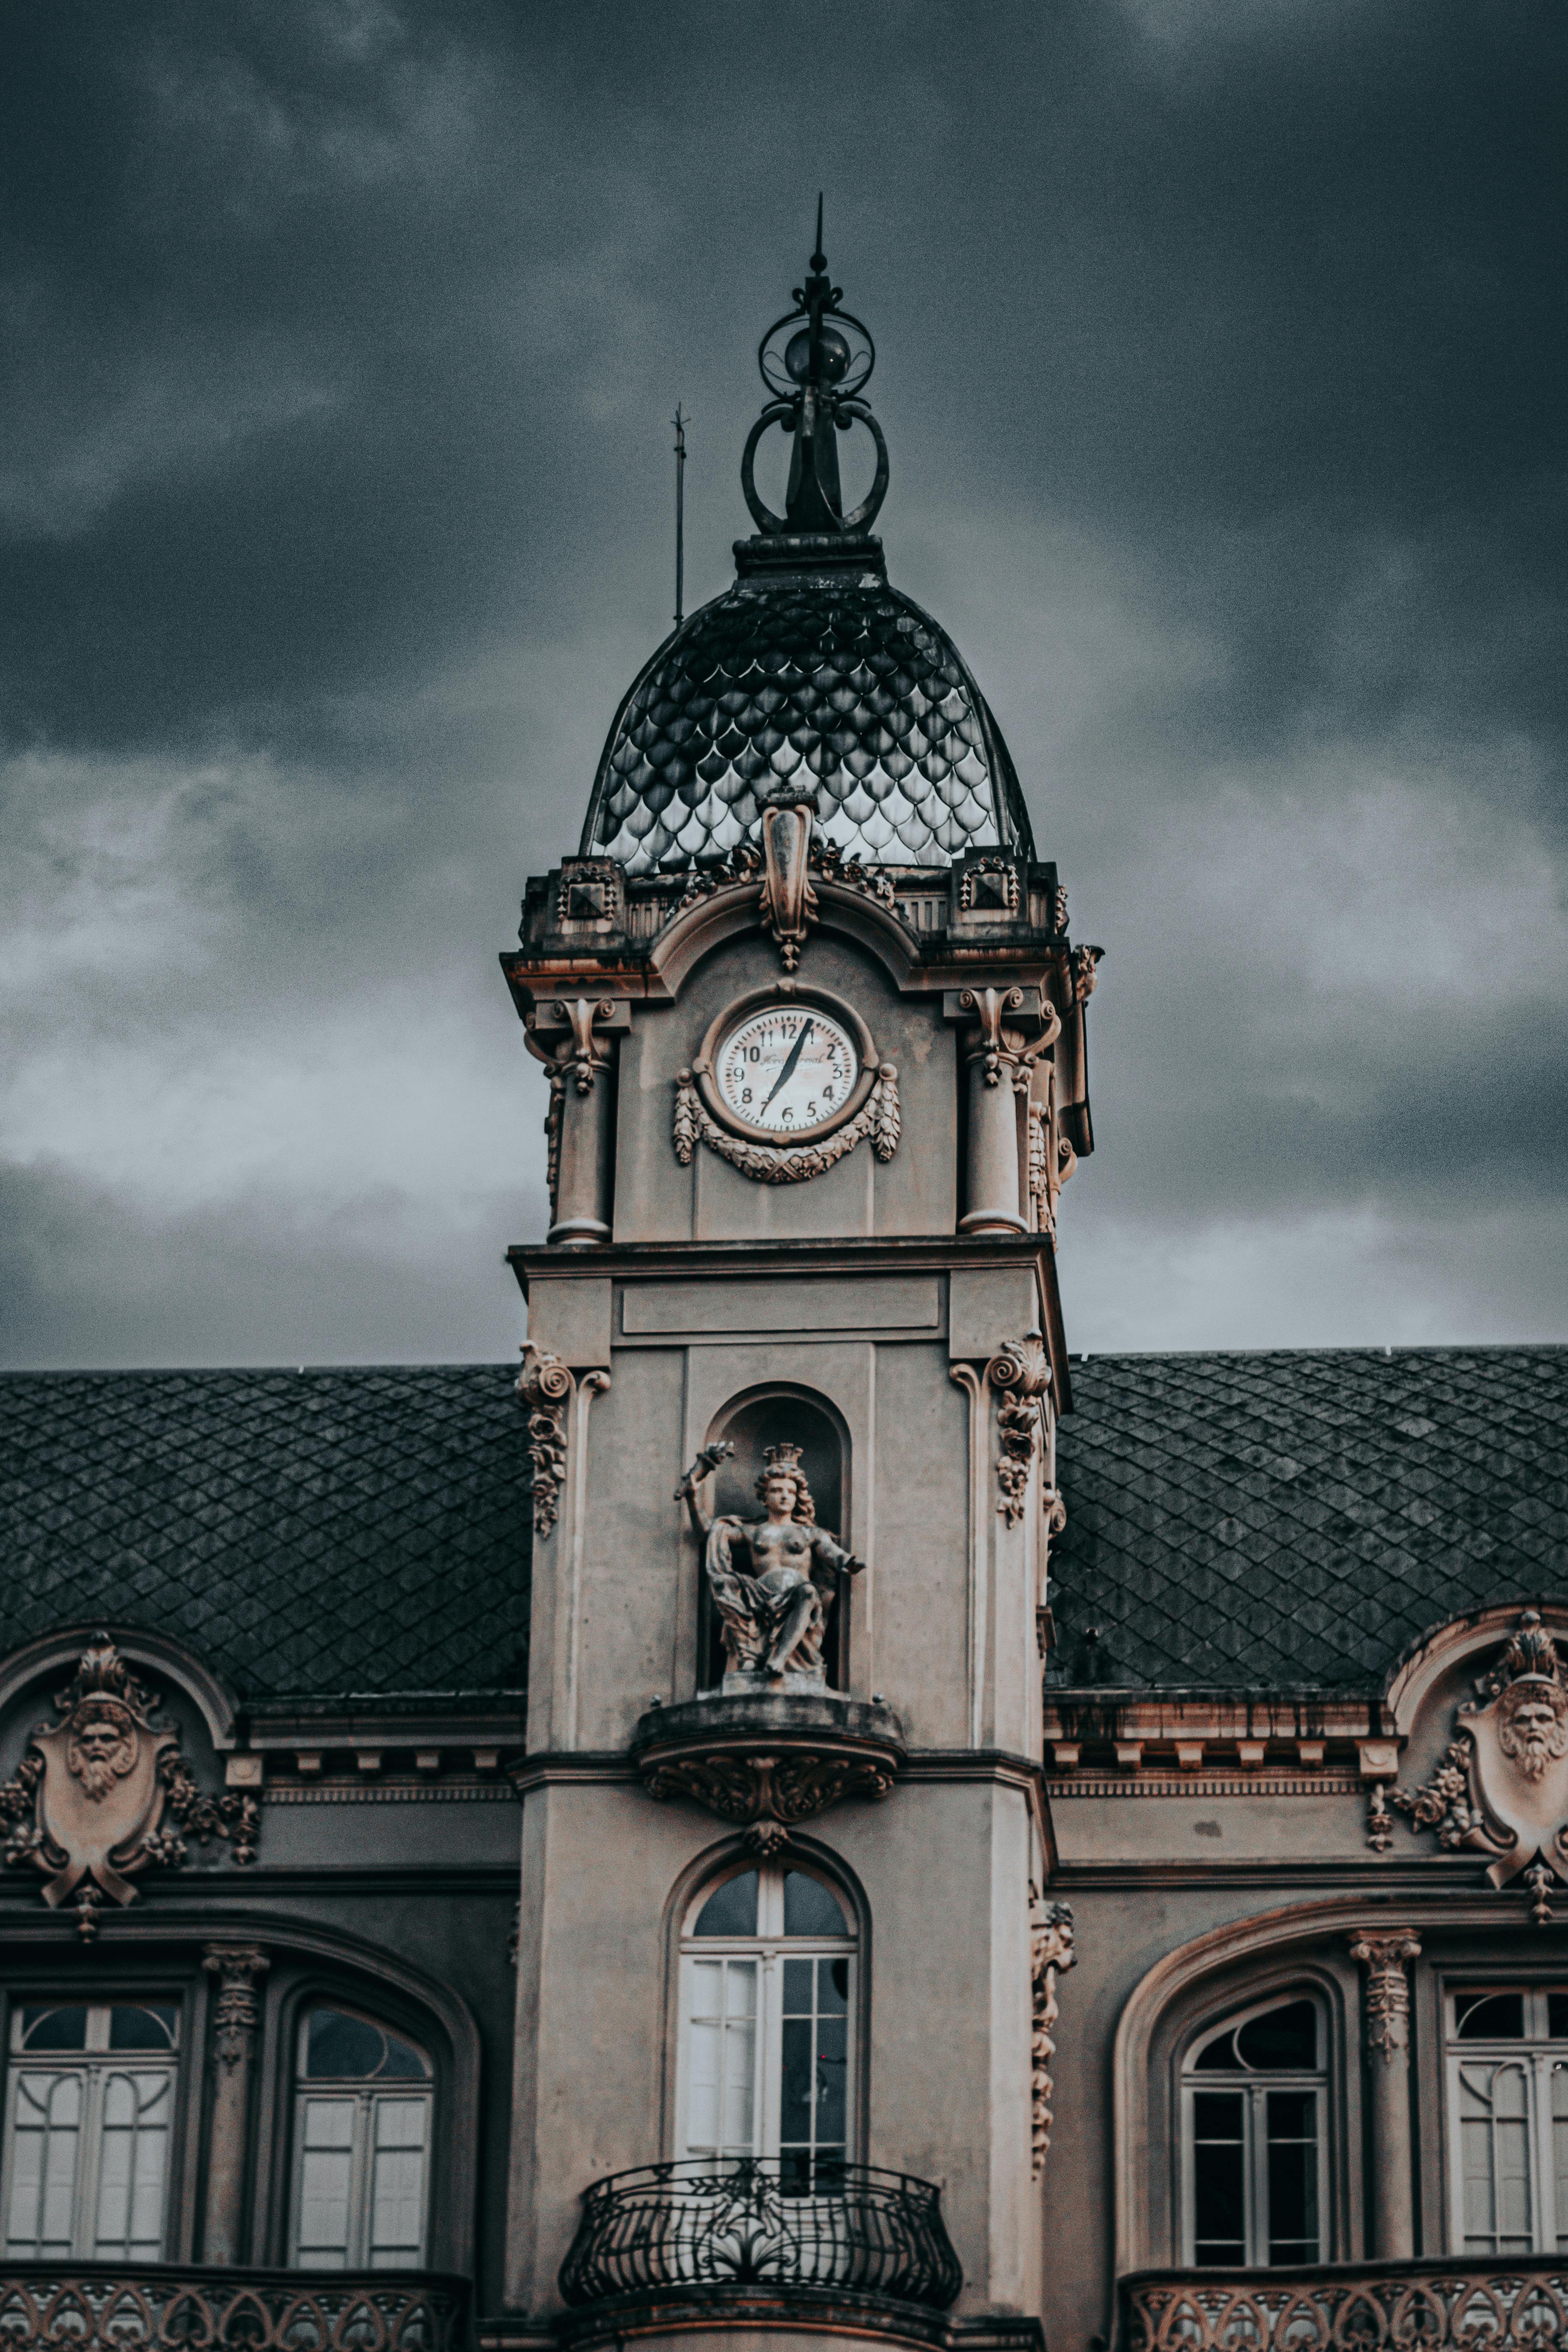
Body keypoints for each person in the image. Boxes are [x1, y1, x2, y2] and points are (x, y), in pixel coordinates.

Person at [680, 1441, 862, 1685]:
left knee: (809, 1592)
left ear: (798, 1497)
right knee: (725, 1583)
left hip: (799, 1595)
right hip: (760, 1597)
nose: (785, 1496)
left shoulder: (810, 1534)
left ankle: (778, 1658)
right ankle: (749, 1653)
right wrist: (693, 1494)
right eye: (777, 1490)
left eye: (791, 1491)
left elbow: (833, 1553)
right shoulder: (754, 1532)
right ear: (765, 1498)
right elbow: (707, 1531)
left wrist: (848, 1562)